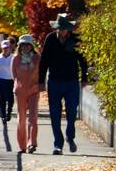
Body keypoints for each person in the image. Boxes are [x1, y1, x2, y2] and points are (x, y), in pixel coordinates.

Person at [38, 13, 89, 154]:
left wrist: (84, 78)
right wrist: (41, 81)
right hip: (54, 81)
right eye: (59, 29)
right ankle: (57, 144)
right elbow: (44, 61)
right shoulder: (50, 39)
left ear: (69, 29)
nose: (61, 31)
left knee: (72, 111)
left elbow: (83, 60)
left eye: (64, 29)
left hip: (72, 81)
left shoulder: (75, 40)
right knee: (55, 114)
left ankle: (70, 136)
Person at [11, 34, 41, 154]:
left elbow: (42, 73)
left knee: (33, 118)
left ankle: (31, 143)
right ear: (20, 46)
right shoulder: (16, 59)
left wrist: (38, 85)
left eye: (27, 45)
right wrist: (17, 87)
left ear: (31, 46)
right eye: (23, 45)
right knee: (21, 118)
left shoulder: (37, 58)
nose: (25, 47)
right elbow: (14, 75)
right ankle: (22, 145)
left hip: (34, 90)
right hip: (20, 91)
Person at [0, 38, 16, 124]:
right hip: (1, 79)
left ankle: (9, 111)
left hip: (11, 80)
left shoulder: (14, 57)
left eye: (7, 48)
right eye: (4, 48)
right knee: (2, 98)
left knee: (10, 98)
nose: (5, 49)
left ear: (10, 48)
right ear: (1, 48)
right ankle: (3, 115)